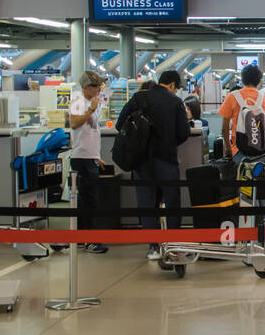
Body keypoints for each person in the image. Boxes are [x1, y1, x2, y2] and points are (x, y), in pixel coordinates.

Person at [120, 70, 190, 261]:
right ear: (173, 85)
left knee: (147, 204)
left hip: (142, 162)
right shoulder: (175, 101)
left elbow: (120, 124)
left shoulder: (139, 97)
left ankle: (153, 247)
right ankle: (173, 244)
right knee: (172, 204)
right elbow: (184, 132)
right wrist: (169, 141)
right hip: (167, 160)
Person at [68, 70, 109, 254]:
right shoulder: (78, 101)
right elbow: (74, 123)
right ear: (86, 87)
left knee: (89, 199)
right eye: (96, 86)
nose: (99, 89)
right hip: (81, 158)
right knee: (88, 200)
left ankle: (82, 238)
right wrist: (91, 109)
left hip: (89, 157)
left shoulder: (92, 103)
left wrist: (96, 155)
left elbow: (90, 132)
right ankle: (88, 239)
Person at [219, 64, 265, 164]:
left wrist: (228, 148)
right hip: (261, 151)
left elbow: (224, 128)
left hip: (239, 151)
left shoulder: (232, 97)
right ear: (259, 81)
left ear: (243, 79)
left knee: (242, 176)